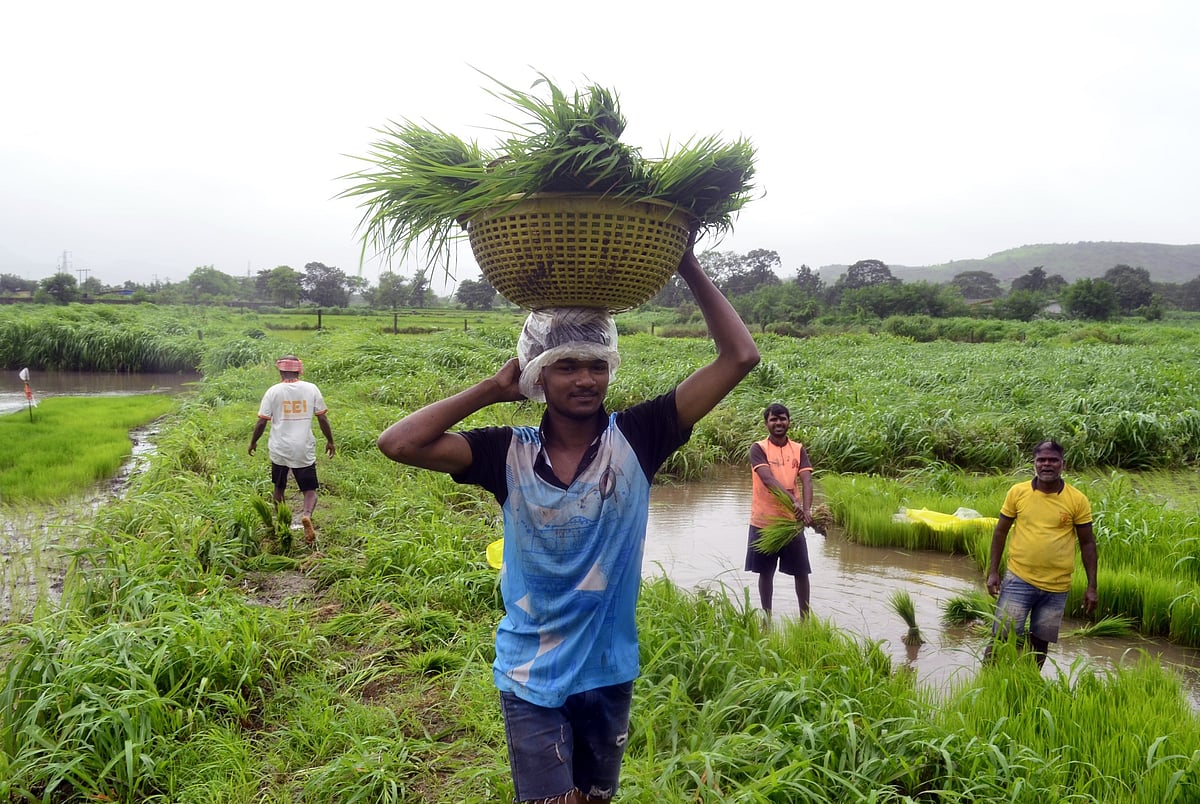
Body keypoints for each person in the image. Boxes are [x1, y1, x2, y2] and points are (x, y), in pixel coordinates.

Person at [377, 246, 759, 804]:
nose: (585, 378)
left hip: (608, 672)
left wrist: (687, 264)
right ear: (537, 373)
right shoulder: (504, 453)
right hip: (530, 674)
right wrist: (490, 389)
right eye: (566, 365)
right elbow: (397, 443)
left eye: (597, 364)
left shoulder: (639, 437)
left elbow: (740, 357)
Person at [985, 440, 1098, 668]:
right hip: (1019, 579)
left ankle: (1029, 682)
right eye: (1042, 460)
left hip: (1056, 587)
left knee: (1040, 641)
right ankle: (989, 681)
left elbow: (1087, 543)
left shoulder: (1077, 500)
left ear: (1062, 464)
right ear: (1034, 463)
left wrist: (1092, 586)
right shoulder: (1018, 493)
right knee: (1002, 636)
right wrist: (993, 572)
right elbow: (1000, 532)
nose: (1047, 464)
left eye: (1053, 460)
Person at [248, 355, 336, 544]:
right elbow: (322, 418)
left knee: (279, 488)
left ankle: (282, 523)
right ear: (299, 371)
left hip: (279, 448)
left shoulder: (273, 392)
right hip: (303, 447)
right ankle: (306, 516)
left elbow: (262, 421)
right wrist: (330, 441)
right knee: (310, 490)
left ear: (280, 371)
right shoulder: (311, 389)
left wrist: (253, 442)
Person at [745, 402, 814, 617]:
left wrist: (807, 509)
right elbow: (767, 479)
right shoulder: (758, 449)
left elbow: (807, 480)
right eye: (773, 419)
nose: (778, 423)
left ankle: (806, 620)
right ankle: (766, 619)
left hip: (792, 523)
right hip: (764, 522)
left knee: (801, 572)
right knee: (766, 573)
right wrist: (793, 502)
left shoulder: (798, 449)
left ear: (789, 422)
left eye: (782, 418)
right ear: (767, 423)